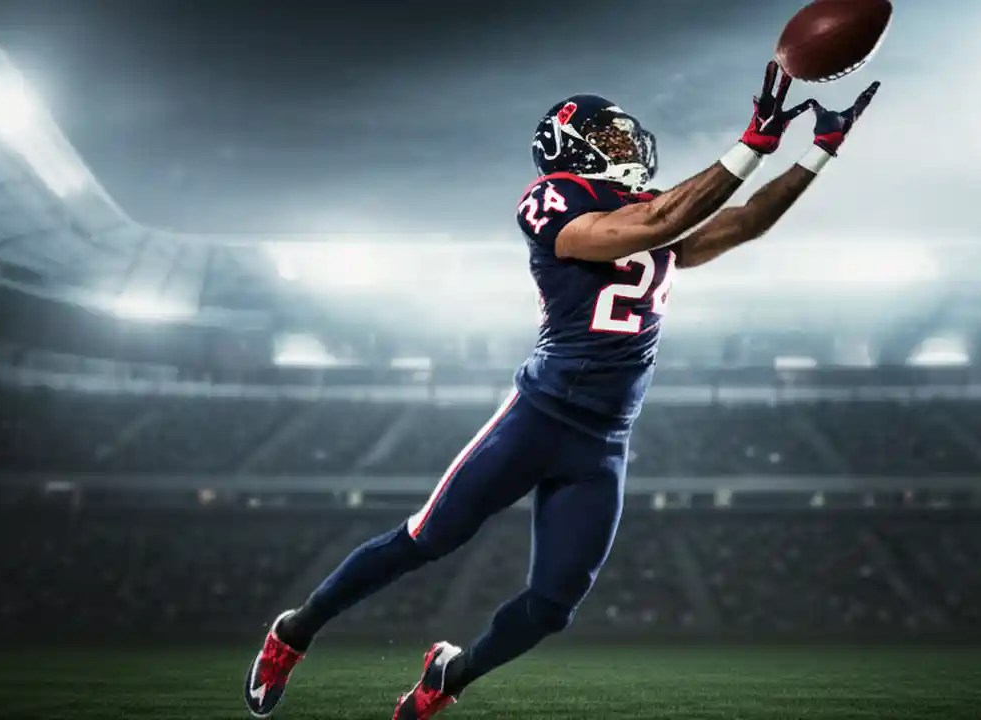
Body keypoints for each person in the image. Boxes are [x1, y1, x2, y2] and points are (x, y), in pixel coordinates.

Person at [243, 61, 879, 720]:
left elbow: (740, 222)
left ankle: (447, 676)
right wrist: (750, 144)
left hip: (604, 441)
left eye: (624, 132)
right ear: (568, 145)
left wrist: (819, 151)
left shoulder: (651, 205)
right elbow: (654, 225)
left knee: (552, 608)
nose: (626, 142)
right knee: (426, 540)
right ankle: (293, 633)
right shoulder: (552, 198)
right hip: (539, 417)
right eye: (608, 133)